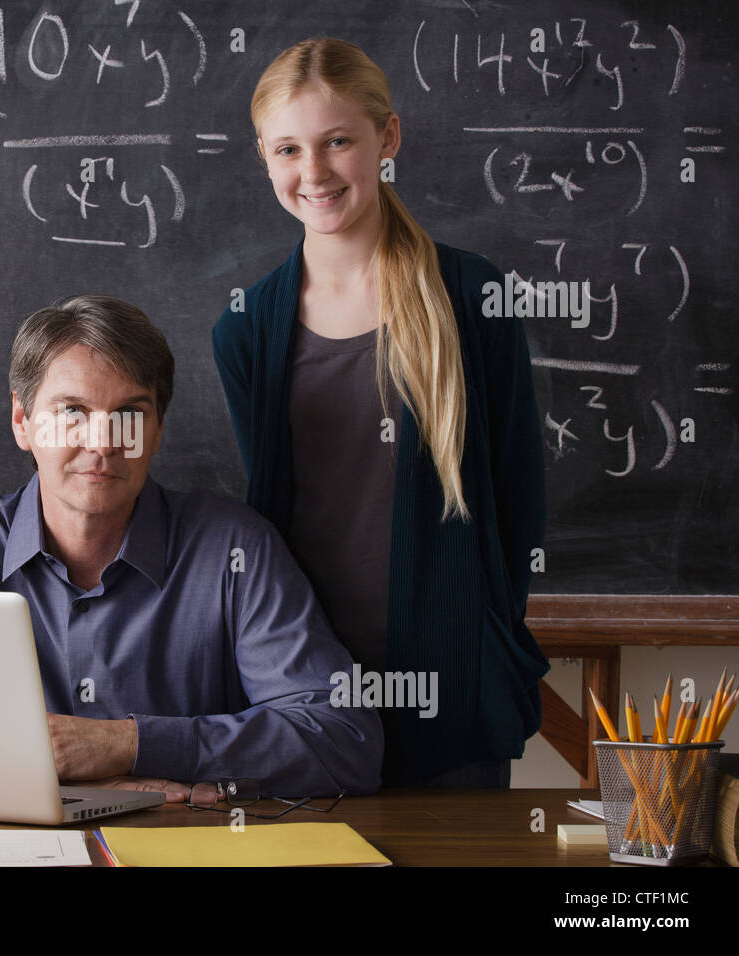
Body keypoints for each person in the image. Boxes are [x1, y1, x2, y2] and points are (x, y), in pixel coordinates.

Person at [212, 38, 549, 787]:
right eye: (289, 149)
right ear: (264, 157)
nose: (315, 172)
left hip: (451, 690)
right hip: (303, 692)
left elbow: (519, 495)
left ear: (387, 138)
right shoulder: (246, 329)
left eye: (339, 142)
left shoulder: (472, 297)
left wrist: (482, 632)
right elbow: (270, 518)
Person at [0, 295, 382, 802]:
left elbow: (344, 740)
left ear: (158, 430)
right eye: (72, 412)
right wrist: (54, 770)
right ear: (22, 422)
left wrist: (129, 744)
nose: (102, 443)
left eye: (130, 414)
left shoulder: (236, 550)